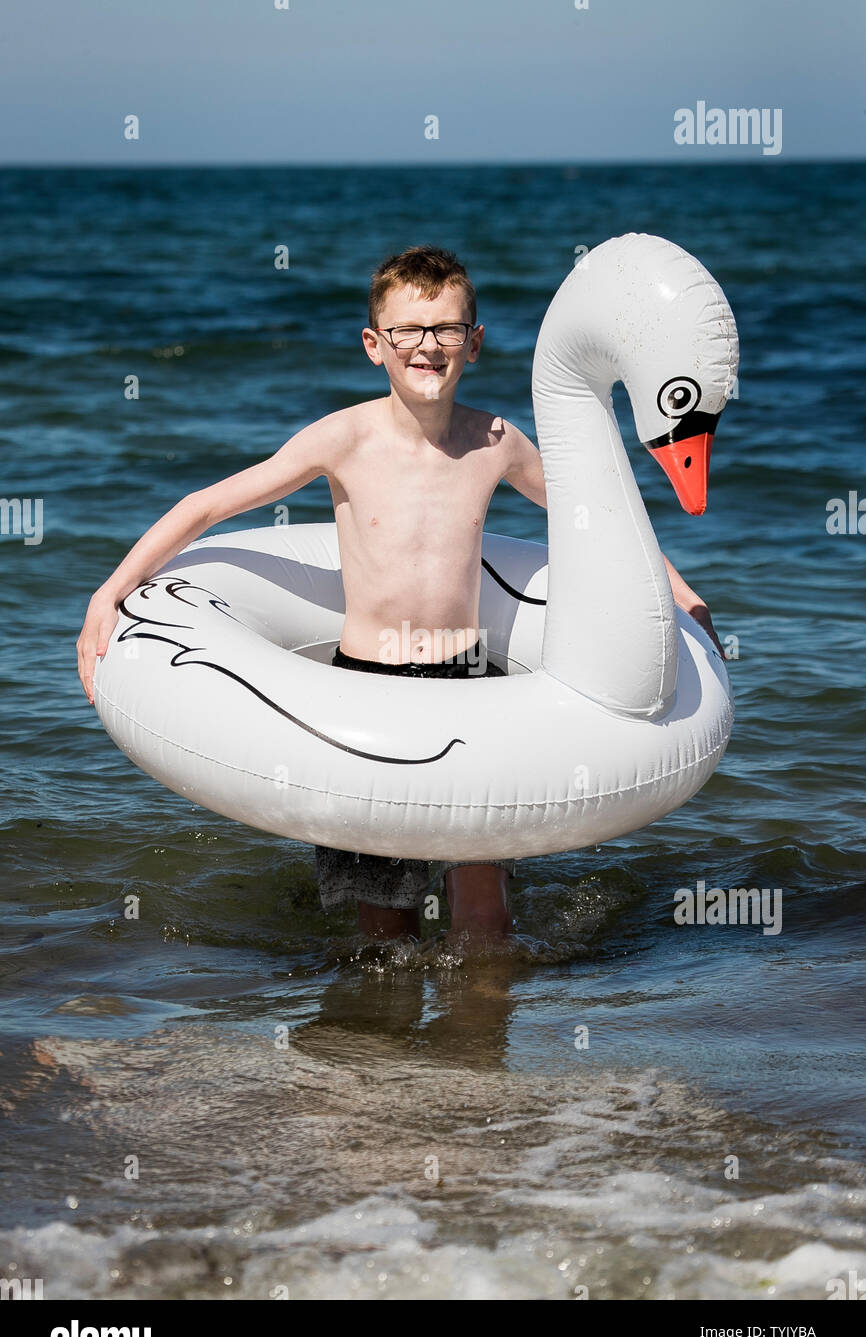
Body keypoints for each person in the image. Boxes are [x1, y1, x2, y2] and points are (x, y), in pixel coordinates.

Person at [77, 246, 723, 949]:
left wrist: (684, 595)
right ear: (373, 345)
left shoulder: (497, 442)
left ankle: (477, 1039)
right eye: (407, 331)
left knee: (488, 926)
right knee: (386, 934)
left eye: (446, 330)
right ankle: (382, 1047)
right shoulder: (344, 438)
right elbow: (208, 506)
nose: (427, 346)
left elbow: (600, 521)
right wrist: (110, 592)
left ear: (473, 344)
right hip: (366, 688)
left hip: (472, 682)